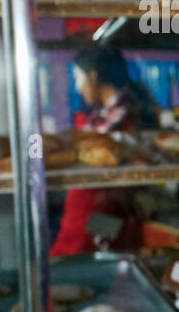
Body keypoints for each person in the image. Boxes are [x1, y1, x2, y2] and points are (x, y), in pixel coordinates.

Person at [51, 43, 159, 255]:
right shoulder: (110, 112)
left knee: (81, 263)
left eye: (77, 78)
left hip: (100, 216)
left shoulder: (122, 115)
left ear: (93, 76)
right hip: (96, 214)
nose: (78, 86)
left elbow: (119, 180)